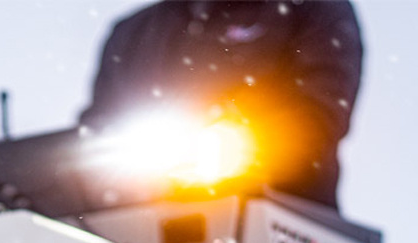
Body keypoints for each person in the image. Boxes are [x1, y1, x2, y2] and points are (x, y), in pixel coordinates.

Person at [81, 0, 363, 208]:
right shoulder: (133, 33)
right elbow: (97, 131)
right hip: (133, 231)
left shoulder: (312, 9)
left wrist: (237, 151)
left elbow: (321, 113)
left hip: (281, 231)